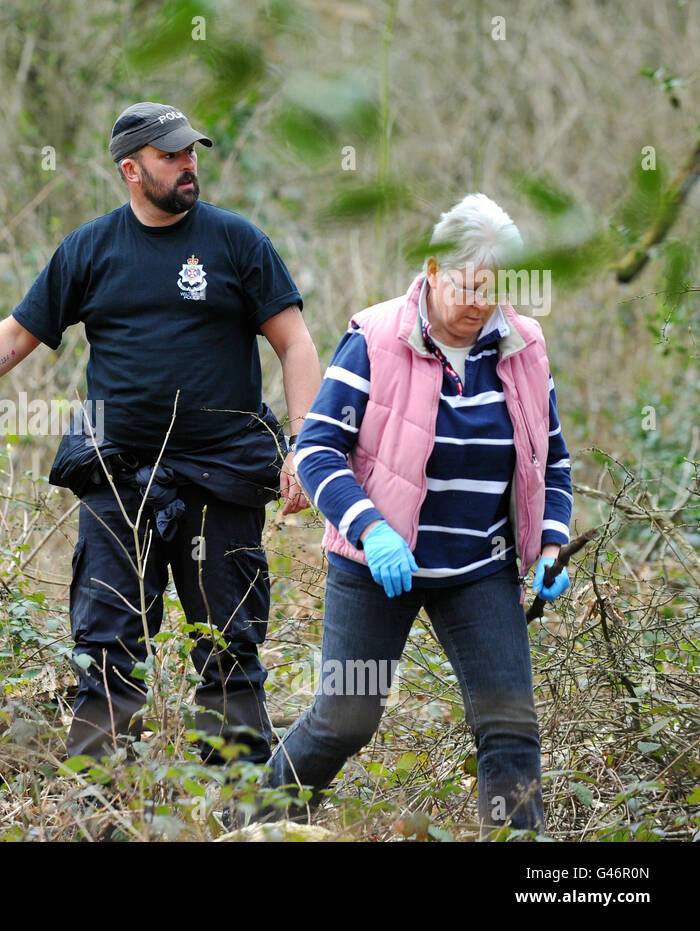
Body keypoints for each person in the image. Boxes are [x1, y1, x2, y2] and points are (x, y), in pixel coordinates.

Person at [0, 102, 321, 767]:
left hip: (222, 475)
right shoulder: (90, 250)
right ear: (130, 168)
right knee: (106, 646)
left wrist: (304, 445)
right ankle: (101, 806)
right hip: (117, 477)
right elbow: (17, 333)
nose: (187, 164)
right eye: (171, 155)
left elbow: (295, 343)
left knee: (230, 648)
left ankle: (241, 808)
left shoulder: (237, 242)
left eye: (191, 152)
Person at [261, 193, 574, 834]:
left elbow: (554, 459)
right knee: (346, 717)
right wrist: (371, 528)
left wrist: (549, 543)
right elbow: (318, 450)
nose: (478, 303)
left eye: (493, 288)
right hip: (379, 566)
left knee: (509, 726)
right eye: (464, 284)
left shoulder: (524, 347)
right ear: (432, 269)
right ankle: (251, 819)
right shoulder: (375, 337)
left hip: (479, 567)